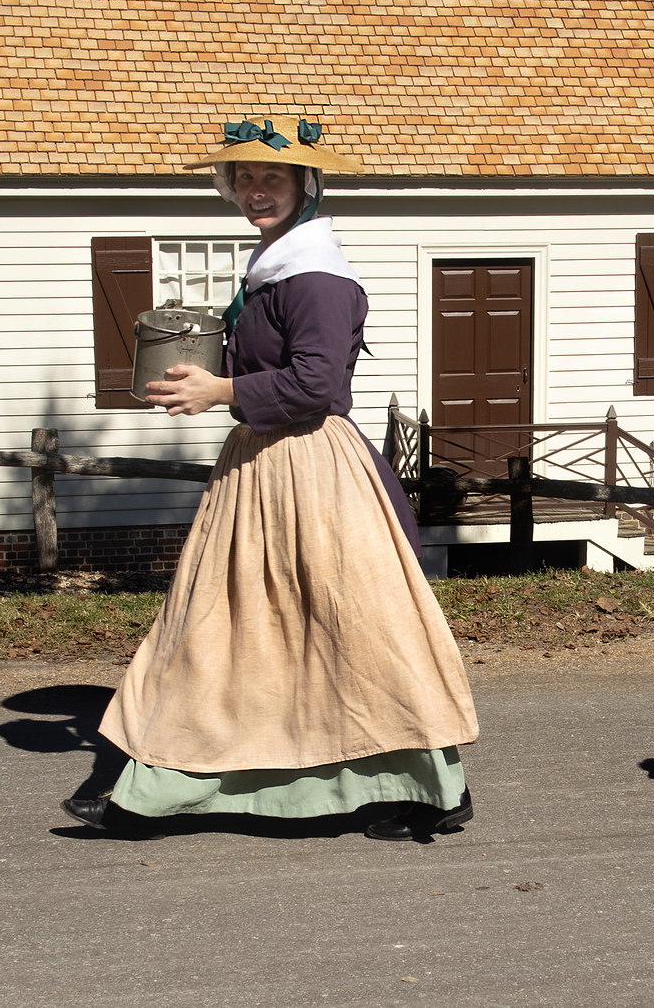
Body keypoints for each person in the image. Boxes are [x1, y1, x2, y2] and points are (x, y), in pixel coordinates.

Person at [61, 116, 478, 842]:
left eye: (271, 178)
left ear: (304, 186)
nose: (255, 190)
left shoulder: (315, 274)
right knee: (236, 631)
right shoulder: (275, 265)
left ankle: (423, 786)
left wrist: (219, 392)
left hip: (310, 468)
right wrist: (198, 374)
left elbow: (316, 382)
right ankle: (168, 789)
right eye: (244, 178)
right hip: (263, 465)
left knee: (343, 630)